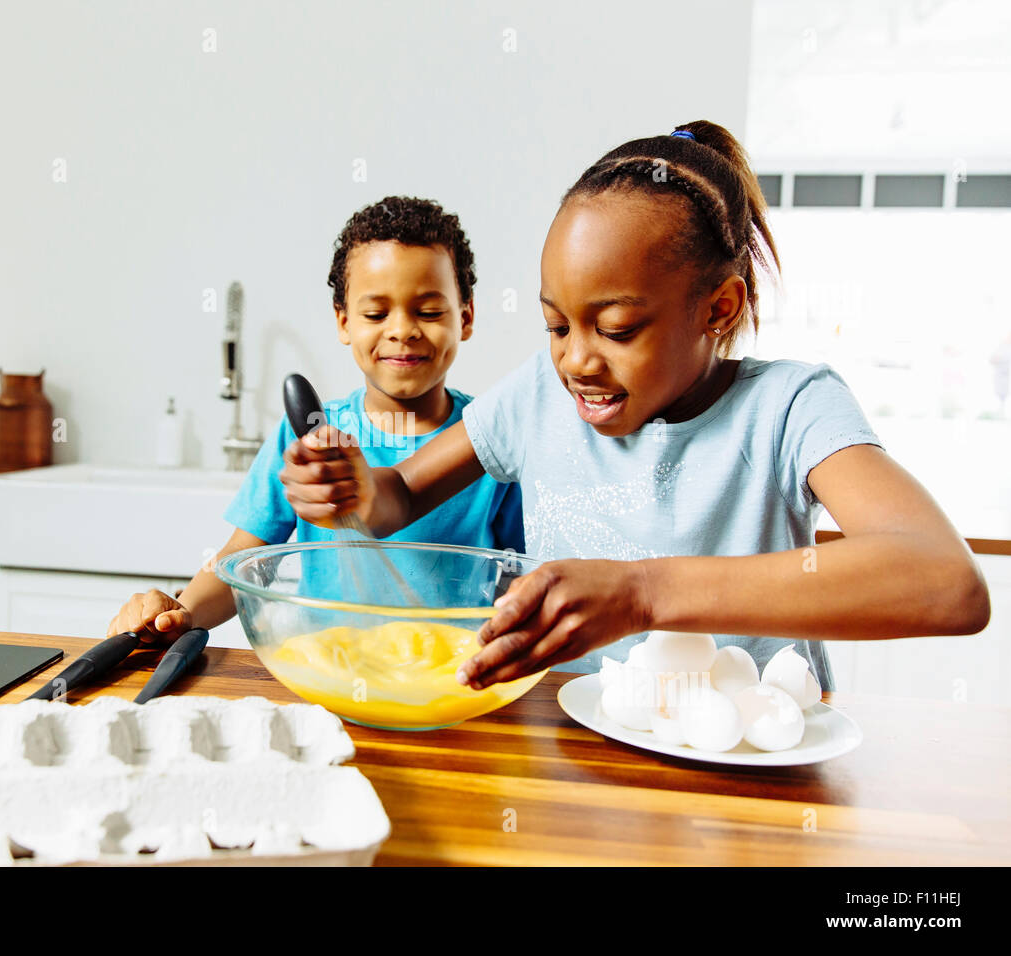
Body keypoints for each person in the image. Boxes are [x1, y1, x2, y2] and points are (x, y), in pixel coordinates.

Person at [279, 121, 991, 692]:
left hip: (748, 775)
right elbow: (398, 497)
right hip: (577, 759)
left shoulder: (789, 408)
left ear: (719, 308)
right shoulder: (537, 395)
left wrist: (642, 592)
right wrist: (355, 486)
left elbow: (944, 582)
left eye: (617, 329)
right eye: (557, 325)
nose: (576, 360)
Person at [107, 196, 526, 639]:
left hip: (456, 681)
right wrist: (183, 612)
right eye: (375, 313)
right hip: (332, 678)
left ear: (466, 317)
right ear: (344, 322)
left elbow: (519, 572)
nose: (402, 330)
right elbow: (241, 557)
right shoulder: (305, 440)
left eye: (428, 311)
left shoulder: (489, 438)